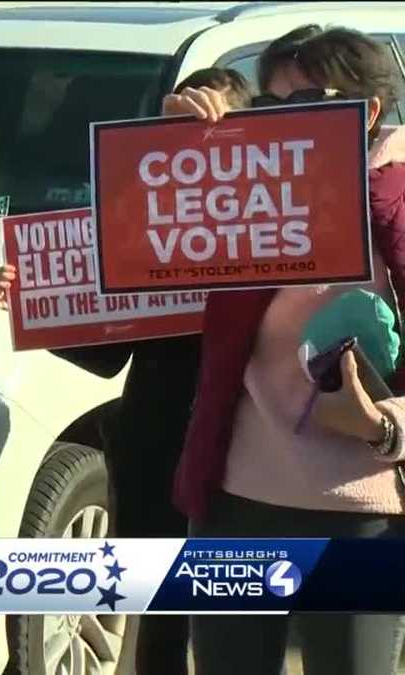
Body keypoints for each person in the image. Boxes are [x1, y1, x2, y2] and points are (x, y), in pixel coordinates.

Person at [0, 67, 252, 675]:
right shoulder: (135, 225)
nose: (184, 156)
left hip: (247, 454)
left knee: (234, 622)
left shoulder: (272, 230)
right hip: (154, 450)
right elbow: (108, 356)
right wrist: (33, 303)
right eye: (169, 139)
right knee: (158, 620)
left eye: (201, 135)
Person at [167, 26, 405, 675]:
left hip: (361, 510)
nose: (284, 126)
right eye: (271, 108)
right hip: (236, 500)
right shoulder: (238, 191)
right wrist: (166, 151)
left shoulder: (398, 203)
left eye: (308, 102)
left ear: (369, 111)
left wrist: (387, 427)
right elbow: (144, 270)